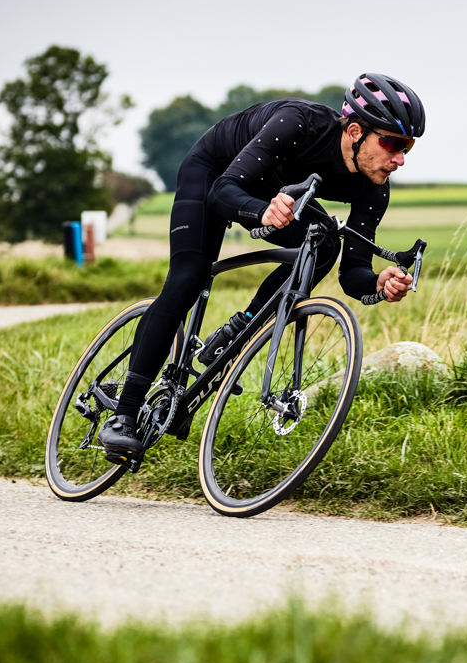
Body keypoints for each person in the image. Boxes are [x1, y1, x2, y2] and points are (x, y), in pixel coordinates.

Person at [97, 72, 427, 462]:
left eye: (408, 146)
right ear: (354, 131)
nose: (400, 158)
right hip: (216, 174)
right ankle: (124, 415)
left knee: (324, 246)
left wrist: (379, 282)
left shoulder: (375, 188)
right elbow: (223, 190)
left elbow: (352, 273)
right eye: (392, 143)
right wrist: (261, 210)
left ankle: (241, 326)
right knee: (188, 277)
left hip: (273, 192)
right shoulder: (297, 122)